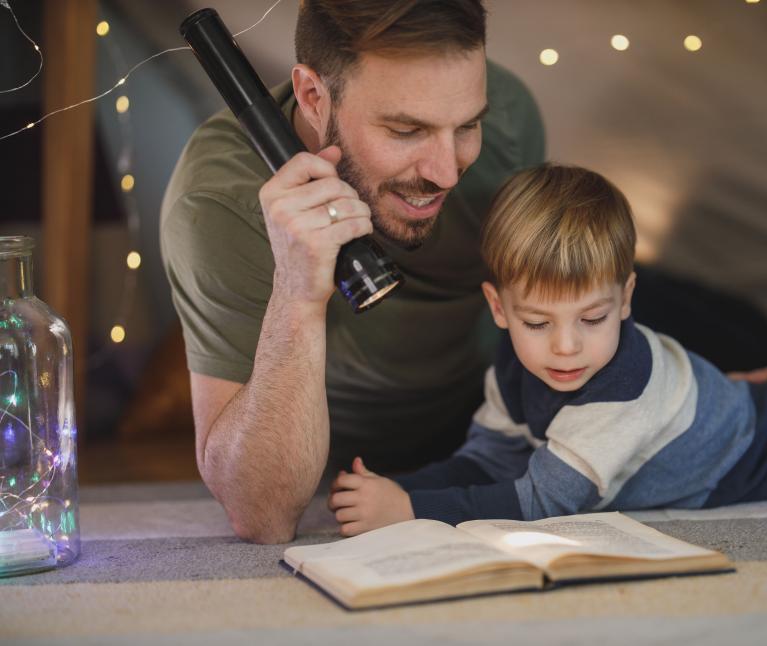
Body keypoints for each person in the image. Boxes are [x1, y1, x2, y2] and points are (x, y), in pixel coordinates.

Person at [161, 0, 544, 544]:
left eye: (466, 127)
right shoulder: (218, 202)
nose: (445, 172)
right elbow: (262, 513)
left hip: (493, 429)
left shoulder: (506, 119)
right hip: (338, 471)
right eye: (406, 130)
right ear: (314, 97)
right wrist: (297, 290)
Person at [327, 164, 767, 536]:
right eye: (538, 321)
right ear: (499, 310)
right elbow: (490, 457)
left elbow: (543, 503)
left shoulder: (623, 389)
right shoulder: (512, 364)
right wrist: (401, 486)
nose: (566, 347)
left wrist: (412, 511)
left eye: (591, 318)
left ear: (625, 300)